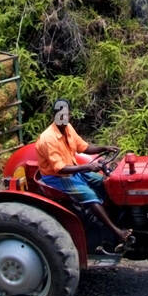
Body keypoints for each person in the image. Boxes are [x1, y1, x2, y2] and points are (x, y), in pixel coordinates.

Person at [35, 99, 132, 247]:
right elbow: (60, 169)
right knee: (90, 195)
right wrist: (87, 167)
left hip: (74, 170)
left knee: (105, 182)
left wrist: (103, 148)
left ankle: (116, 217)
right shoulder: (48, 138)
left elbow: (84, 147)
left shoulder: (68, 128)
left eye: (66, 114)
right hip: (57, 177)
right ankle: (117, 232)